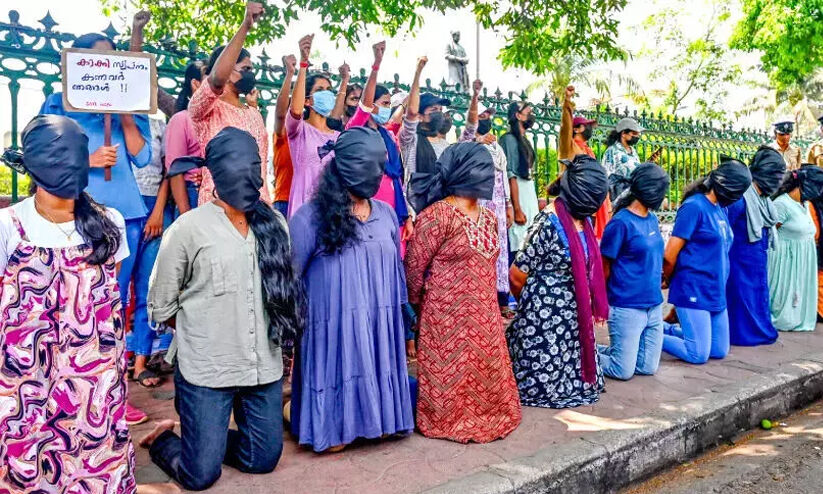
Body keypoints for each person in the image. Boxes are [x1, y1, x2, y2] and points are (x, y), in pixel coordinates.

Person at [142, 127, 303, 491]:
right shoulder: (188, 229)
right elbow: (162, 304)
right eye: (238, 165)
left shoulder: (274, 224)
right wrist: (206, 331)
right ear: (215, 171)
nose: (248, 173)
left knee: (262, 460)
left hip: (261, 367)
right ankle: (165, 440)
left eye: (255, 165)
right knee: (199, 476)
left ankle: (206, 444)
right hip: (207, 372)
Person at [0, 115, 133, 492]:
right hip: (28, 381)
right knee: (31, 460)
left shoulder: (110, 223)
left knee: (94, 462)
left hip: (93, 380)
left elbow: (107, 303)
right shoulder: (9, 225)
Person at [39, 30, 152, 426]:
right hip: (78, 217)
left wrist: (123, 111)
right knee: (73, 307)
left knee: (114, 308)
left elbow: (143, 156)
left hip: (129, 219)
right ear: (76, 65)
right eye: (97, 59)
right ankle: (64, 391)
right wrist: (86, 159)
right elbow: (41, 157)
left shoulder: (133, 107)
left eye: (113, 58)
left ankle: (113, 395)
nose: (106, 65)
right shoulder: (58, 103)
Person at [287, 127, 414, 453]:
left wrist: (406, 322)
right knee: (334, 445)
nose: (379, 174)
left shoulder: (386, 215)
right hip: (334, 336)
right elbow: (289, 279)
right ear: (348, 166)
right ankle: (292, 409)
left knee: (385, 434)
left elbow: (397, 275)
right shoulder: (309, 218)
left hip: (379, 331)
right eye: (372, 165)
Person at [405, 142, 521, 442]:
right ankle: (445, 419)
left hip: (484, 313)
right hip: (445, 315)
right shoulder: (436, 216)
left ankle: (488, 415)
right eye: (481, 169)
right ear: (461, 171)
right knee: (450, 374)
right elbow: (414, 269)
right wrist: (419, 309)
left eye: (490, 171)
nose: (488, 177)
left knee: (484, 369)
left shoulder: (490, 218)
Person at [507, 154, 609, 408]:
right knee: (546, 387)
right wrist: (538, 306)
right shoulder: (547, 223)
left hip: (573, 315)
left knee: (580, 386)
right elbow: (516, 276)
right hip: (544, 321)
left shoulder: (583, 221)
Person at [662, 159, 751, 364]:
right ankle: (648, 336)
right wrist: (669, 279)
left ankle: (665, 329)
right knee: (698, 354)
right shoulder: (694, 207)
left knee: (718, 350)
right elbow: (669, 254)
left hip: (715, 289)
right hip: (693, 287)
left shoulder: (721, 208)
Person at [189, 1, 270, 206]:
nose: (250, 74)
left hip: (259, 208)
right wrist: (245, 26)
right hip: (219, 207)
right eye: (245, 68)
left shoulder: (253, 113)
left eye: (251, 69)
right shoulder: (207, 109)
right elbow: (216, 80)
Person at [597, 163, 670, 380]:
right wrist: (601, 302)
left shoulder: (652, 219)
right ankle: (577, 356)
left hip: (653, 305)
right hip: (626, 306)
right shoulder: (621, 223)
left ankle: (602, 352)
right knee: (623, 371)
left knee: (647, 367)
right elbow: (604, 266)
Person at [346, 41, 414, 245]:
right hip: (368, 206)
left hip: (395, 206)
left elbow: (406, 106)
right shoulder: (356, 130)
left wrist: (407, 215)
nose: (387, 108)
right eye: (384, 103)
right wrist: (376, 64)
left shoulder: (389, 134)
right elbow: (364, 106)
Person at [129, 116, 175, 387]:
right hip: (122, 208)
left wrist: (158, 211)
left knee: (148, 289)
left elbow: (167, 172)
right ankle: (111, 359)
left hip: (154, 209)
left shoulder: (159, 123)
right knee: (116, 291)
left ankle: (140, 363)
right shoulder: (108, 119)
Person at [726, 147, 785, 346]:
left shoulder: (765, 201)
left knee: (758, 296)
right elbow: (726, 228)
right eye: (776, 174)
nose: (779, 180)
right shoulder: (741, 197)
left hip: (758, 258)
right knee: (742, 299)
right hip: (739, 259)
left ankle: (759, 331)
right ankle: (742, 335)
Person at [286, 33, 344, 217]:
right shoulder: (299, 130)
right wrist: (303, 64)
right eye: (319, 90)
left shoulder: (337, 136)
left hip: (332, 210)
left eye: (328, 90)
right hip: (304, 210)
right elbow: (295, 110)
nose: (326, 94)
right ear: (307, 100)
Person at [471, 100, 514, 314]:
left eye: (488, 115)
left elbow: (504, 175)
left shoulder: (496, 146)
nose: (485, 119)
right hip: (478, 203)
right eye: (481, 116)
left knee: (500, 249)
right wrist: (477, 141)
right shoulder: (469, 143)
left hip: (498, 205)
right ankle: (484, 298)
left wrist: (508, 204)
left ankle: (502, 299)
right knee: (481, 247)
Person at [768, 165, 823, 332]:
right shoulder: (782, 204)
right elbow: (771, 233)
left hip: (802, 258)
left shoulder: (805, 205)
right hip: (786, 260)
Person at [560, 85, 611, 239]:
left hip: (592, 204)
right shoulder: (569, 146)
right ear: (576, 129)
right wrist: (567, 101)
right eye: (586, 126)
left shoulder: (588, 150)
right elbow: (565, 127)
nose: (589, 128)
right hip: (576, 202)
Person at [165, 60, 207, 215]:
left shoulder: (218, 119)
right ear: (196, 84)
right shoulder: (181, 119)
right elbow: (175, 170)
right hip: (192, 194)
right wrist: (185, 214)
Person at [501, 101, 537, 261]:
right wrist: (516, 209)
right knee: (519, 248)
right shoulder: (508, 139)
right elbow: (511, 176)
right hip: (519, 198)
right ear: (517, 115)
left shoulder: (524, 140)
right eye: (527, 110)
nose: (531, 112)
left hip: (529, 196)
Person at [272, 54, 297, 218]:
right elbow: (280, 116)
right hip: (285, 199)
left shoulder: (311, 131)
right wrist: (290, 74)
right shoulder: (284, 131)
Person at [602, 117, 643, 199]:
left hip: (633, 196)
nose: (637, 136)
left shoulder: (633, 152)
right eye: (634, 133)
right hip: (618, 198)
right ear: (623, 134)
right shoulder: (612, 151)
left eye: (638, 133)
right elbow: (606, 176)